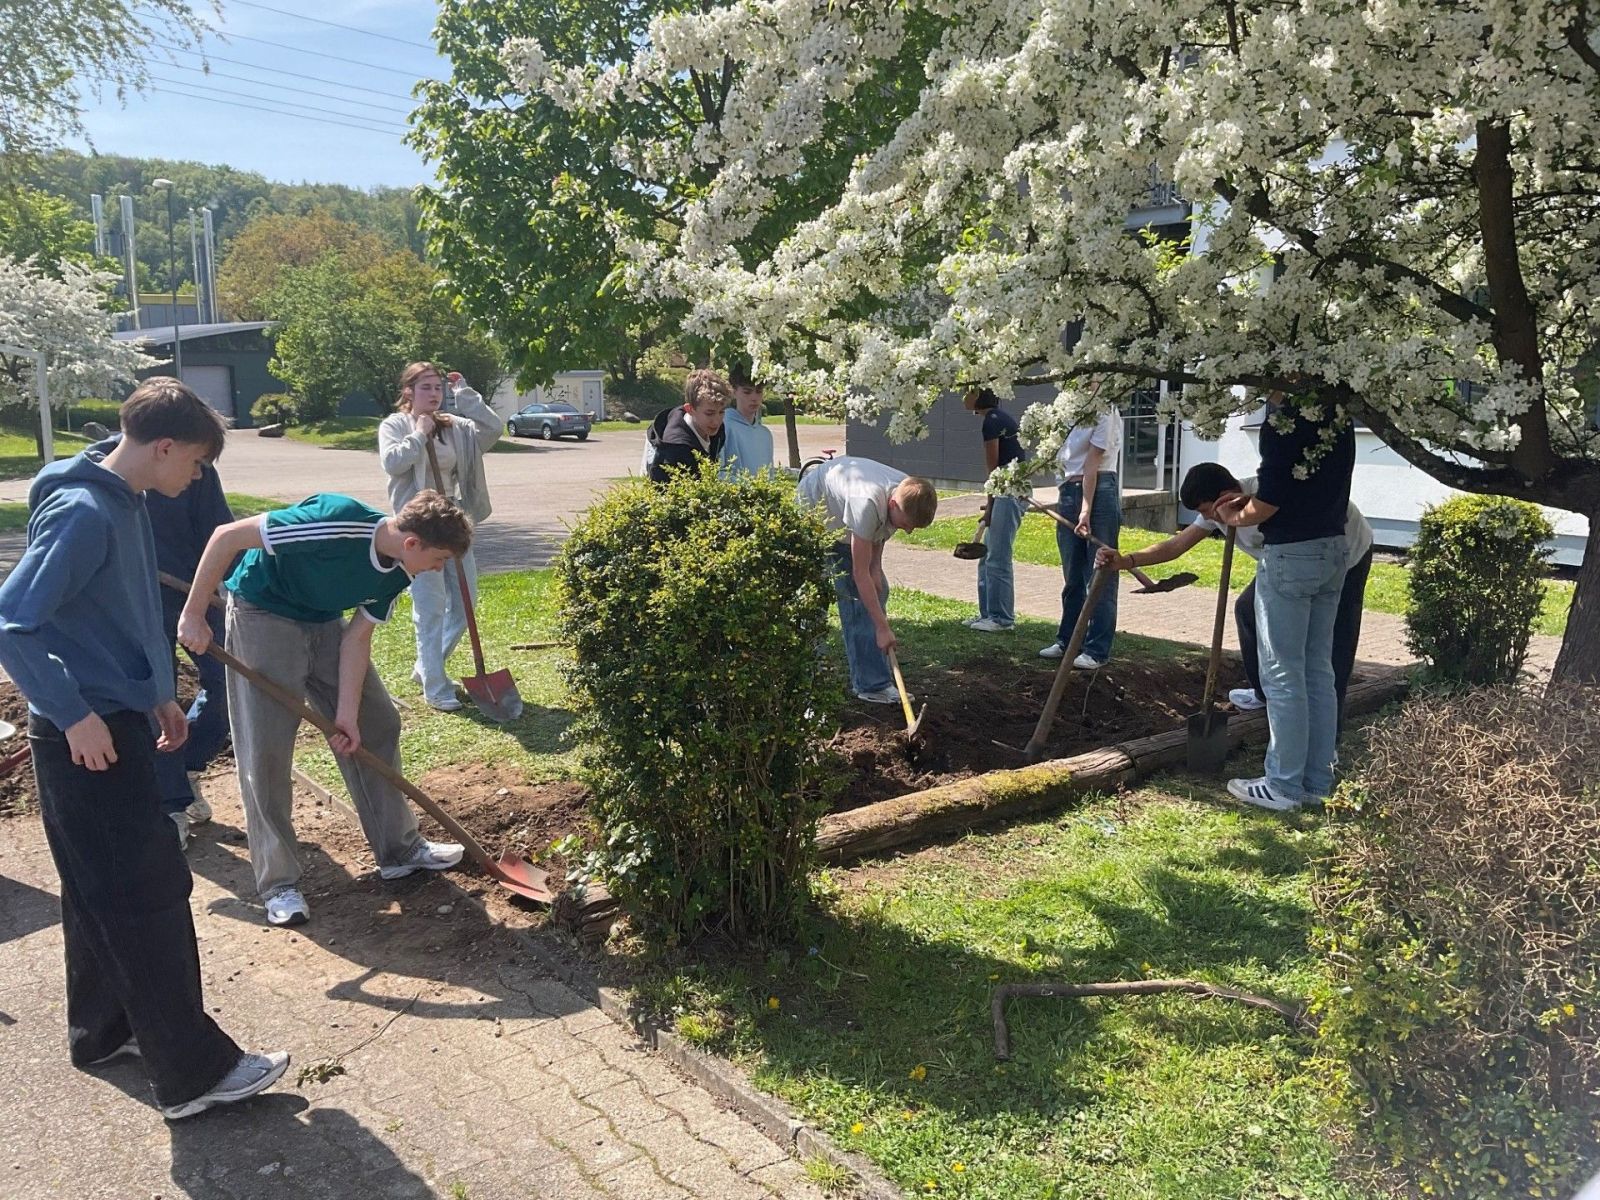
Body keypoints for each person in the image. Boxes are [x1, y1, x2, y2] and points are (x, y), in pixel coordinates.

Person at [0, 378, 288, 1119]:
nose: (195, 479)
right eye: (193, 463)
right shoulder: (86, 510)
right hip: (88, 738)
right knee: (149, 897)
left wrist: (160, 688)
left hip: (117, 714)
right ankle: (192, 1075)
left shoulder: (123, 497)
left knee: (100, 890)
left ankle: (102, 1031)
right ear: (162, 447)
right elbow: (13, 623)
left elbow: (117, 612)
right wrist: (72, 714)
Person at [176, 490, 473, 927]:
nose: (439, 568)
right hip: (264, 615)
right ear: (414, 543)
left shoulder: (399, 571)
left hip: (324, 620)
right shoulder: (335, 522)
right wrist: (193, 615)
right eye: (441, 558)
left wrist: (347, 716)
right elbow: (225, 537)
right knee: (268, 749)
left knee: (377, 723)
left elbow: (356, 640)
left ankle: (399, 851)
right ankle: (279, 883)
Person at [1097, 462, 1374, 727]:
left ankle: (1329, 729)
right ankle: (1265, 694)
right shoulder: (1218, 510)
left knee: (1335, 640)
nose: (1207, 519)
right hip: (1283, 564)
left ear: (1225, 496)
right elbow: (1176, 545)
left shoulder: (1270, 494)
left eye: (1207, 511)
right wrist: (1127, 560)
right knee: (1247, 609)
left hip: (1347, 554)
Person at [88, 420, 234, 850]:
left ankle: (187, 763)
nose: (194, 468)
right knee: (159, 694)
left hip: (194, 593)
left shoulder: (196, 468)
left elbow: (218, 531)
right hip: (134, 599)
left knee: (227, 683)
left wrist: (208, 592)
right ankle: (171, 801)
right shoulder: (103, 467)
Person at [1213, 395, 1358, 812]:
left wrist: (1233, 517)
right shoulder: (1335, 413)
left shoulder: (1285, 422)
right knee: (1317, 670)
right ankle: (1317, 780)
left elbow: (1268, 502)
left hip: (1293, 553)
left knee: (1282, 672)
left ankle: (1283, 785)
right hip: (1333, 546)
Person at [378, 362, 501, 712]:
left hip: (451, 522)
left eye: (438, 388)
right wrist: (419, 433)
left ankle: (426, 665)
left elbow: (493, 428)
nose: (434, 394)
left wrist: (467, 398)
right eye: (426, 387)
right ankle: (436, 686)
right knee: (429, 608)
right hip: (418, 529)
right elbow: (392, 463)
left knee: (466, 604)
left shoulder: (457, 428)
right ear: (408, 392)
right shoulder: (395, 425)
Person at [796, 456, 939, 702]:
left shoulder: (906, 492)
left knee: (877, 590)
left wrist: (876, 567)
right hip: (812, 516)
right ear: (893, 503)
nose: (908, 531)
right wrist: (882, 628)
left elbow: (880, 533)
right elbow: (859, 573)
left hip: (844, 517)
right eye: (906, 524)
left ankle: (872, 680)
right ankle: (817, 679)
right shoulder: (867, 502)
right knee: (821, 600)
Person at [1040, 404, 1122, 668]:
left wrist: (1085, 509)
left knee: (1099, 575)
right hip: (1069, 489)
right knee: (1072, 574)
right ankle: (1068, 640)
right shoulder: (1067, 406)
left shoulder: (1105, 409)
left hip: (1100, 489)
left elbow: (1093, 461)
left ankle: (1096, 650)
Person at [960, 388, 1026, 633]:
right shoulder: (996, 417)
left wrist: (991, 503)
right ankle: (987, 613)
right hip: (1005, 491)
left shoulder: (992, 422)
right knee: (987, 555)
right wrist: (991, 505)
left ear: (978, 396)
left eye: (966, 393)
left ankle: (1002, 619)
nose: (963, 398)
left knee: (998, 556)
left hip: (1009, 492)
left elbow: (994, 471)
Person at [646, 370, 729, 483]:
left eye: (721, 412)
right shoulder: (673, 449)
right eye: (709, 413)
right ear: (689, 409)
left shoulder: (716, 432)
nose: (716, 421)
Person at [719, 362, 775, 478]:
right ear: (734, 391)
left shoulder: (765, 434)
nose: (754, 398)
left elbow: (770, 477)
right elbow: (718, 472)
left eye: (758, 391)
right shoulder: (723, 426)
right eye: (747, 392)